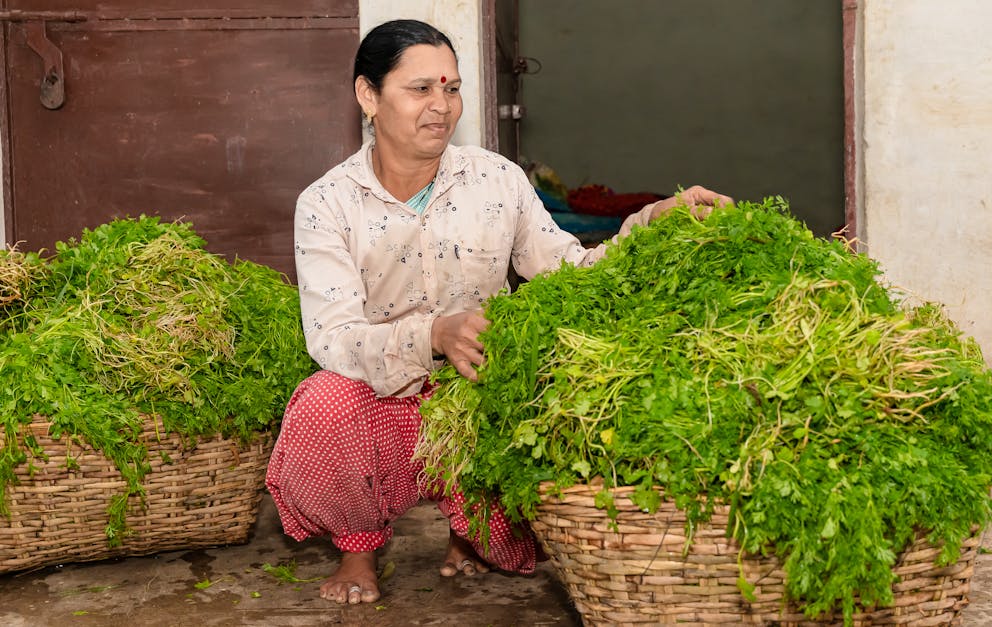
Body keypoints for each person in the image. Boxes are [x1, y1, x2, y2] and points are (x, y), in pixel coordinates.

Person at [265, 18, 733, 606]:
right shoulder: (328, 203)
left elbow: (570, 270)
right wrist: (434, 334)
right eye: (421, 90)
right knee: (322, 406)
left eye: (452, 88)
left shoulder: (495, 180)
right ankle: (359, 549)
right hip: (383, 397)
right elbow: (334, 338)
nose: (442, 106)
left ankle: (469, 532)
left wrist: (648, 226)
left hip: (482, 390)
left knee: (562, 440)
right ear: (367, 95)